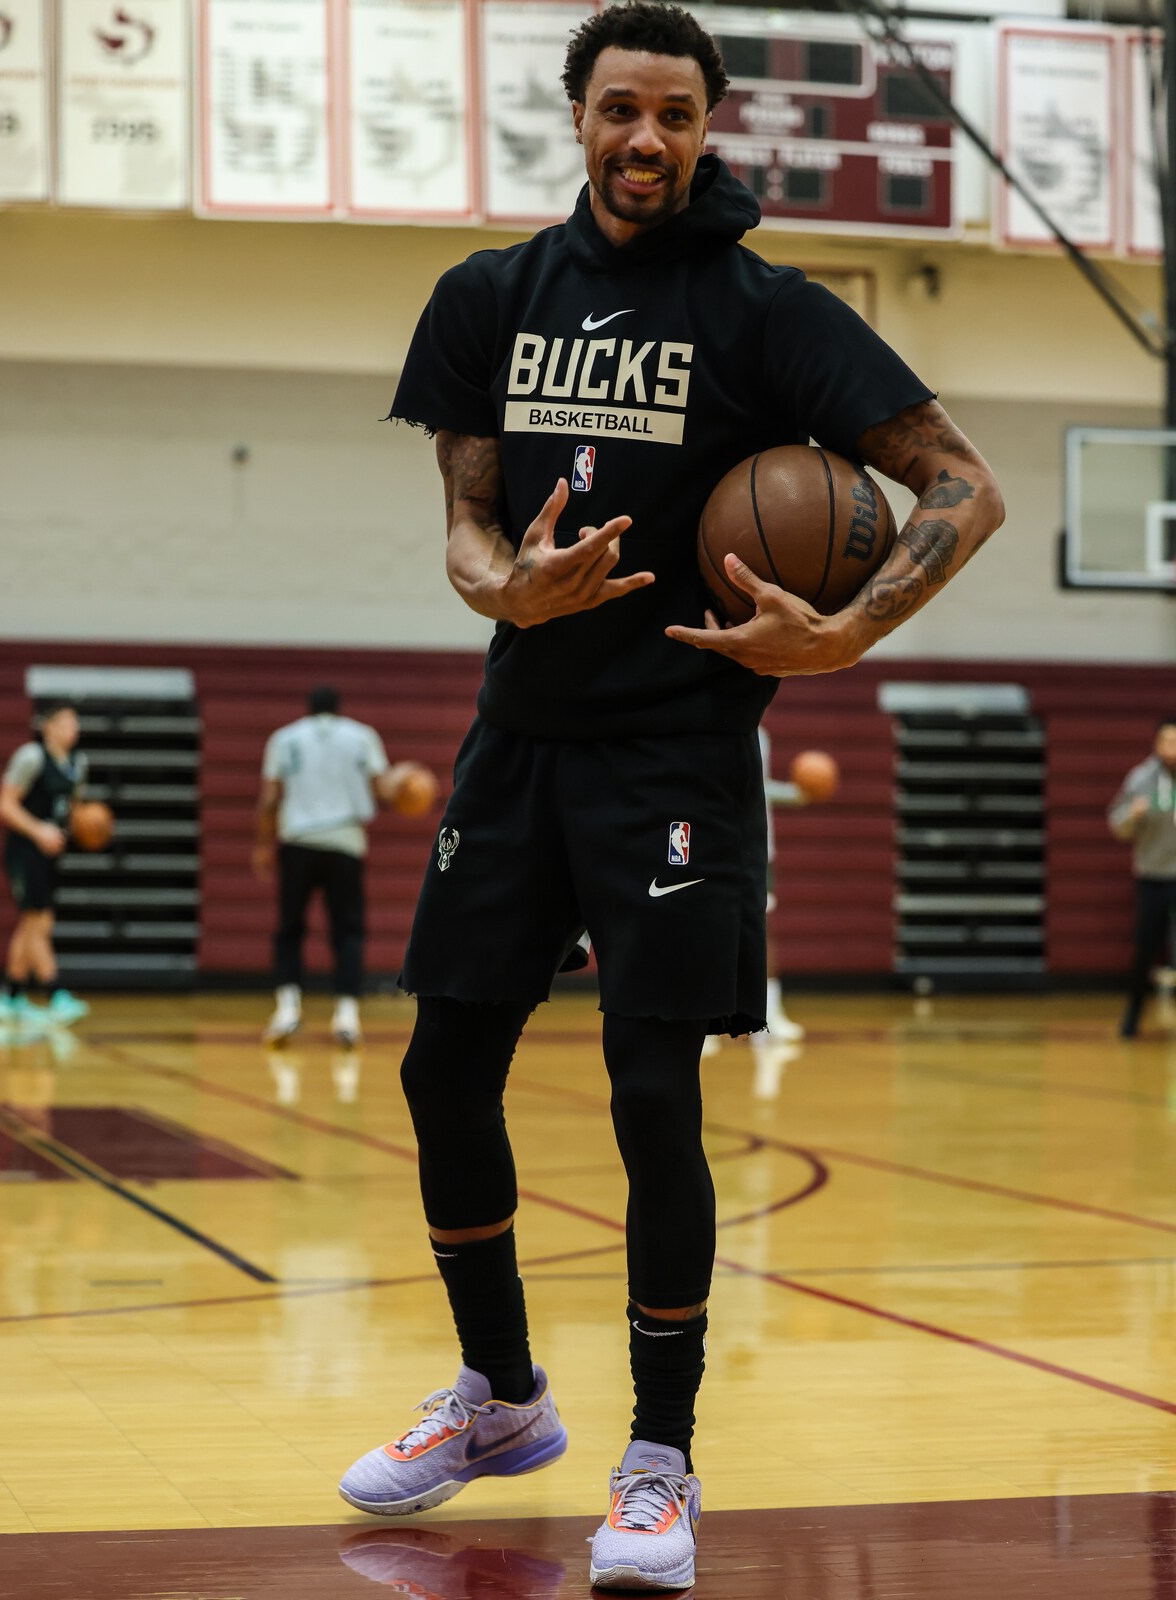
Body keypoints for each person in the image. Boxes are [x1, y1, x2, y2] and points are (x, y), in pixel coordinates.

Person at [338, 4, 1004, 1590]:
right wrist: (506, 592)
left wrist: (849, 631)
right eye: (622, 109)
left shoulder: (772, 316)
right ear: (577, 114)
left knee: (652, 1096)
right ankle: (499, 1395)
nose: (649, 139)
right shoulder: (488, 298)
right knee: (442, 1069)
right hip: (520, 737)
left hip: (680, 754)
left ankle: (658, 1462)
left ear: (710, 129)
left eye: (679, 116)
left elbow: (963, 484)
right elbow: (466, 528)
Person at [254, 686, 400, 1047]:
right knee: (348, 930)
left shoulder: (284, 738)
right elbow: (384, 791)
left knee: (290, 929)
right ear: (338, 708)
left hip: (298, 842)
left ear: (309, 708)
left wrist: (262, 845)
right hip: (345, 842)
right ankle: (347, 1016)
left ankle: (288, 1010)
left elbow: (270, 798)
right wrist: (406, 784)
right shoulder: (362, 736)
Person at [703, 725, 807, 1057]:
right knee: (703, 929)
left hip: (757, 848)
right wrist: (795, 793)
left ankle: (771, 1013)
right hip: (711, 845)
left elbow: (755, 788)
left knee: (761, 929)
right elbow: (739, 785)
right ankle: (699, 1019)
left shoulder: (760, 734)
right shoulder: (704, 726)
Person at [0, 702, 91, 1028]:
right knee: (39, 920)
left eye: (75, 723)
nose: (73, 729)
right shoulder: (31, 757)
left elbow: (73, 810)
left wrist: (91, 826)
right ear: (47, 726)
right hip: (24, 850)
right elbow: (4, 805)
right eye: (65, 723)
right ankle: (54, 991)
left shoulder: (78, 763)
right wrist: (38, 830)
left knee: (32, 922)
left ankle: (11, 995)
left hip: (52, 852)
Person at [1108, 718, 1176, 1039]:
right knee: (1145, 949)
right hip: (1152, 877)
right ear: (1157, 745)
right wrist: (1131, 816)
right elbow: (1117, 823)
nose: (1173, 749)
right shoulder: (1141, 779)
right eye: (1168, 742)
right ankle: (1133, 1015)